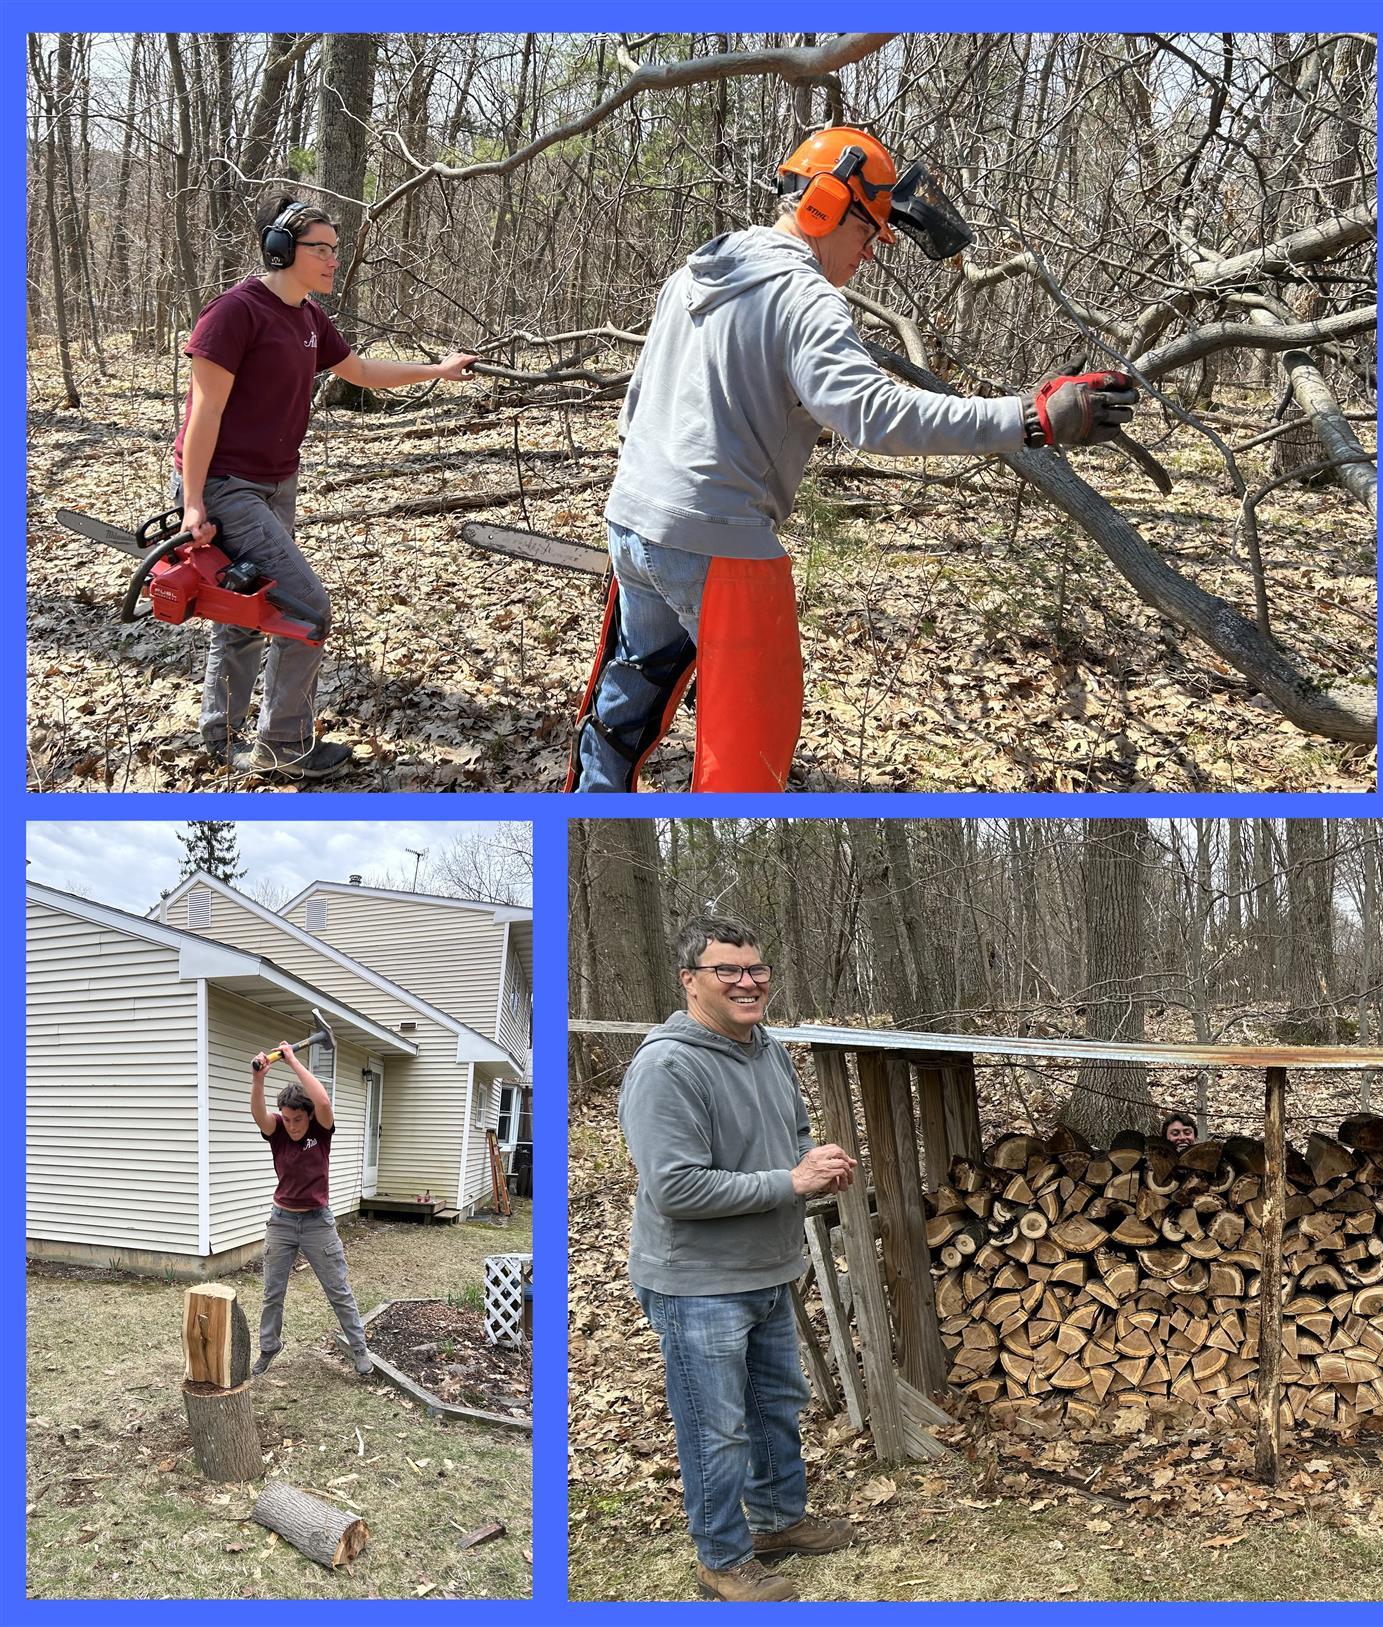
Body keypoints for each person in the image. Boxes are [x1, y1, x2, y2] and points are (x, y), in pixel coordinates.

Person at [571, 126, 1140, 792]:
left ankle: (589, 811)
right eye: (867, 234)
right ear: (823, 205)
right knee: (748, 761)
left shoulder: (697, 270)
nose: (867, 255)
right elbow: (875, 414)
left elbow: (637, 404)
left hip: (631, 522)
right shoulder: (804, 297)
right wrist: (1030, 419)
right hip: (722, 548)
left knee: (624, 707)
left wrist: (643, 502)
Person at [173, 195, 477, 780]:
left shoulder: (309, 317)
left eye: (336, 250)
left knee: (250, 608)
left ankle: (224, 734)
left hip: (275, 482)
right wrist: (193, 502)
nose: (334, 260)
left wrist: (436, 370)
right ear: (282, 249)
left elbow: (359, 372)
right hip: (224, 484)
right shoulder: (235, 314)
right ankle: (283, 744)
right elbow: (202, 415)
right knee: (307, 607)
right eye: (321, 249)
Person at [619, 915, 859, 1601]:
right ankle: (722, 1557)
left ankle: (778, 1519)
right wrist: (791, 1181)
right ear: (690, 981)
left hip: (767, 1268)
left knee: (775, 1405)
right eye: (729, 969)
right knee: (715, 1427)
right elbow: (676, 1187)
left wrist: (814, 1162)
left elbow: (796, 1134)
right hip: (697, 1282)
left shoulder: (768, 1049)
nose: (749, 981)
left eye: (756, 968)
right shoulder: (667, 1066)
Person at [248, 1041, 371, 1379]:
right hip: (282, 1221)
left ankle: (359, 1349)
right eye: (287, 1119)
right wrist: (259, 1079)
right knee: (272, 1293)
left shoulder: (321, 1127)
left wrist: (292, 1061)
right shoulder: (277, 1131)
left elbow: (324, 1101)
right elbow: (260, 1114)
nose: (292, 1125)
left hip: (318, 1222)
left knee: (338, 1289)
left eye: (297, 1119)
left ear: (309, 1117)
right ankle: (269, 1347)